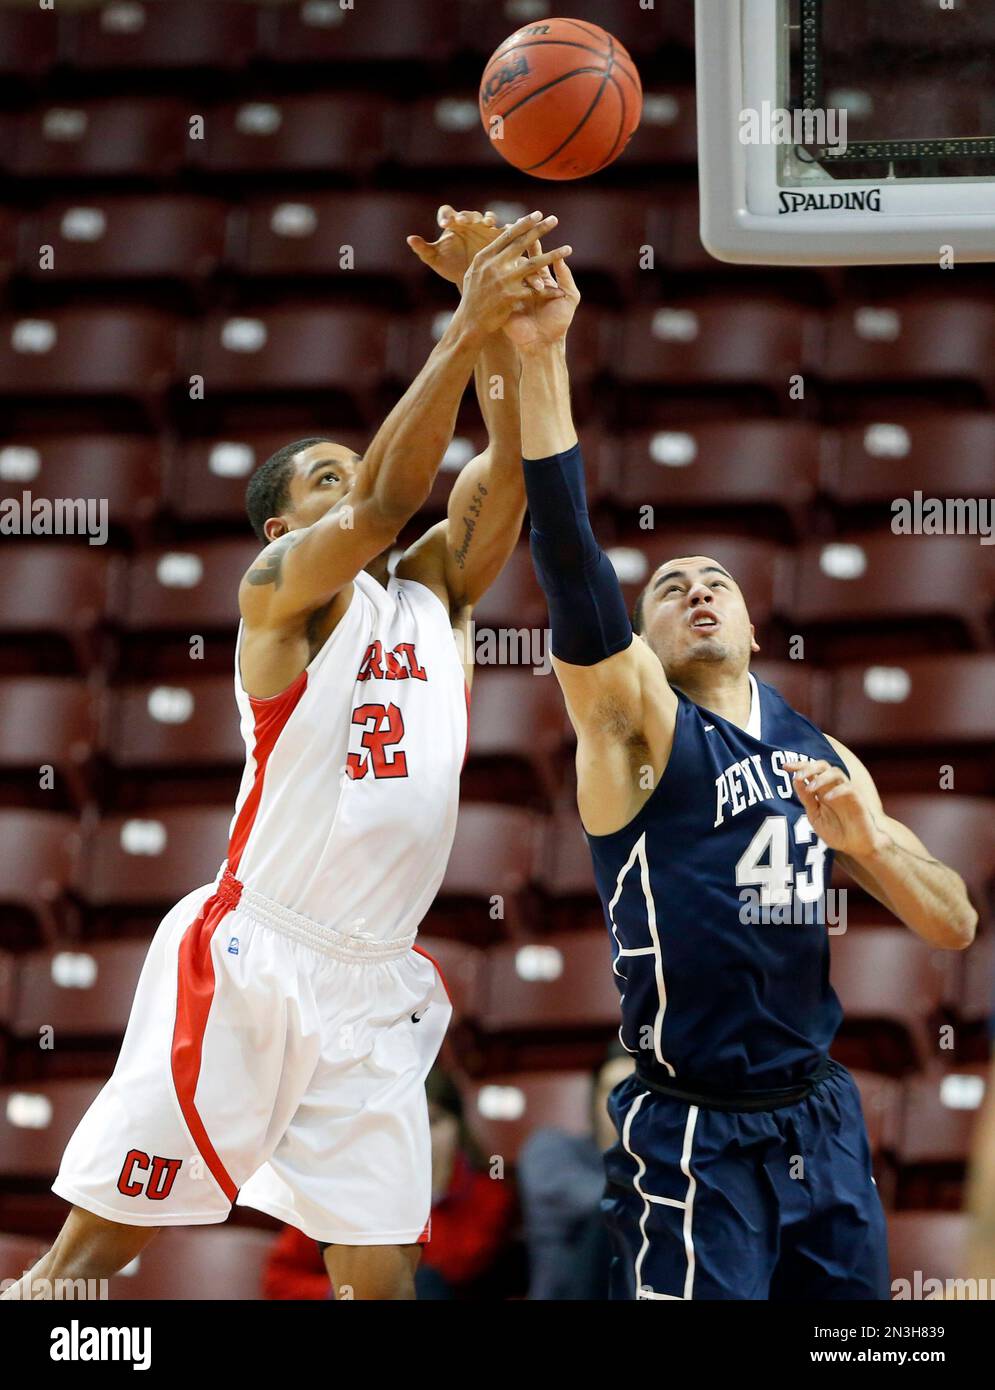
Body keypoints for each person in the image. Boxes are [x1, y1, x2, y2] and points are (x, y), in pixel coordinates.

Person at [2, 207, 573, 1303]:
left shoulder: (433, 597)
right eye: (319, 478)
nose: (347, 479)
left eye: (341, 467)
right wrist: (461, 326)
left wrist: (513, 331)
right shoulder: (276, 599)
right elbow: (381, 501)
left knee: (381, 1268)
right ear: (279, 531)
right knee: (101, 1249)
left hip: (373, 975)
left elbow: (505, 470)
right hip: (252, 954)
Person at [510, 252, 978, 1301]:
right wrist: (540, 359)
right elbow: (569, 559)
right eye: (670, 588)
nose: (697, 592)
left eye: (715, 580)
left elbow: (950, 923)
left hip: (817, 1109)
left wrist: (865, 846)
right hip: (691, 1124)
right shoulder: (635, 729)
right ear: (646, 635)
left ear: (754, 623)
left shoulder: (822, 753)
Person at [263, 1068, 515, 1300]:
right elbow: (278, 1278)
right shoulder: (341, 1192)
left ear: (458, 1129)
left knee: (423, 1283)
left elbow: (456, 1268)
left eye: (433, 1122)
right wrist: (344, 1291)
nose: (419, 1135)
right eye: (403, 1122)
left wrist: (429, 1198)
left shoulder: (487, 1192)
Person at [518, 1043, 634, 1300]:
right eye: (614, 1089)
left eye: (636, 1094)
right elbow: (607, 1202)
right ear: (593, 1099)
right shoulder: (551, 1150)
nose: (623, 1106)